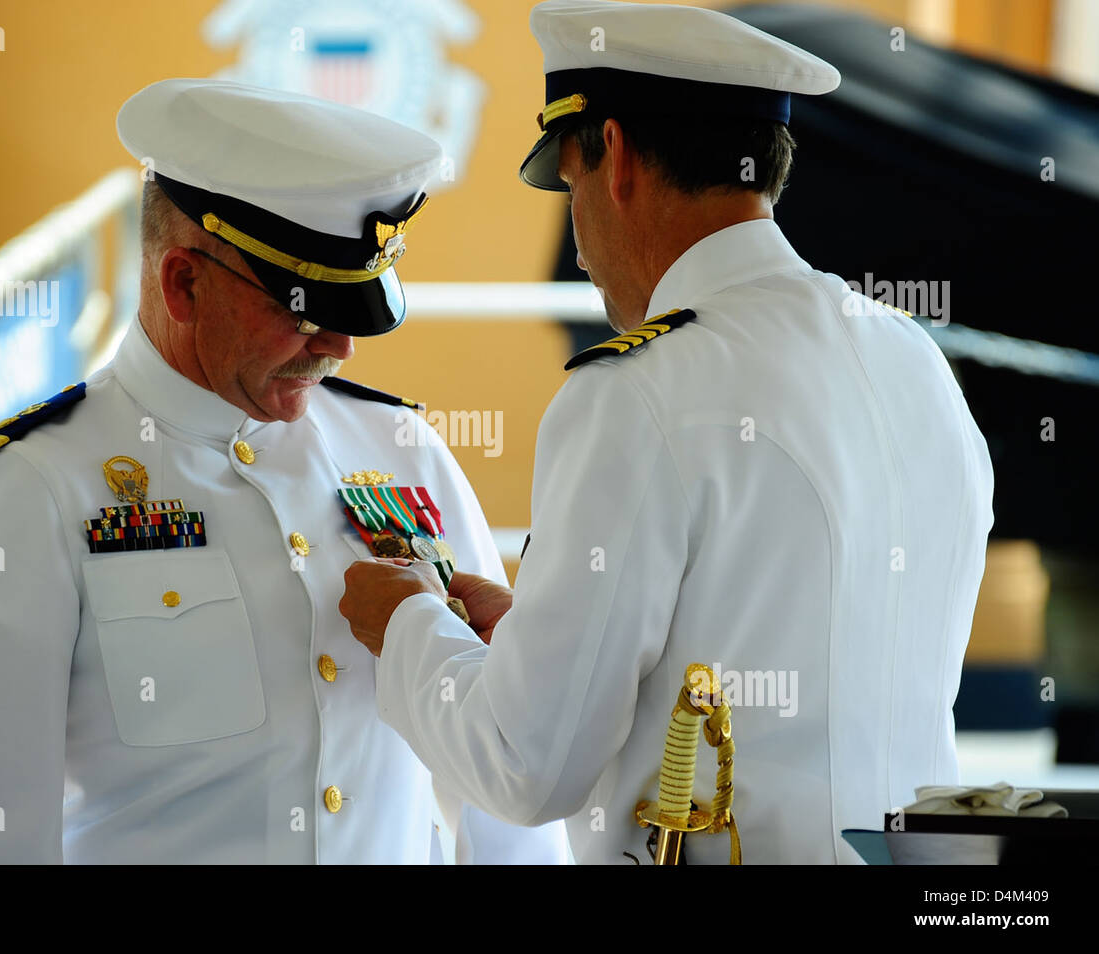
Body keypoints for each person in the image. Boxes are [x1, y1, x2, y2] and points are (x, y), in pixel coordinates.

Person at [339, 0, 995, 864]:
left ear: (613, 156)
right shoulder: (914, 361)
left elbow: (525, 767)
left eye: (568, 183)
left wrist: (411, 628)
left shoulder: (636, 393)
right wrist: (526, 634)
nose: (576, 242)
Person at [0, 78, 569, 864]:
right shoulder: (35, 489)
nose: (339, 347)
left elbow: (510, 814)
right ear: (184, 282)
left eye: (350, 309)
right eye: (304, 308)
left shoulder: (401, 447)